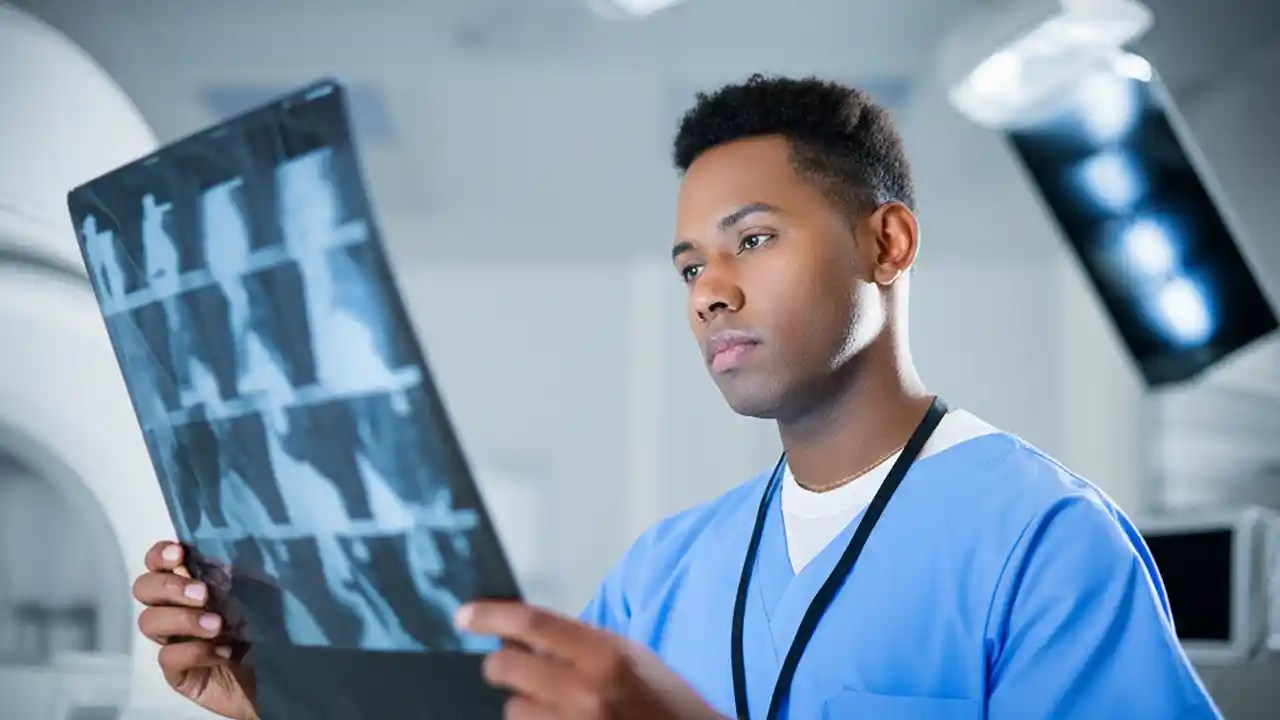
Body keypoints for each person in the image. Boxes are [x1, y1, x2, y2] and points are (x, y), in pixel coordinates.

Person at [131, 74, 1221, 719]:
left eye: (751, 239)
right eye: (689, 264)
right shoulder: (663, 571)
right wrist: (277, 692)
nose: (710, 293)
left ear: (885, 242)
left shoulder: (1044, 543)